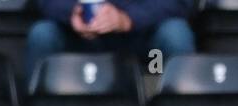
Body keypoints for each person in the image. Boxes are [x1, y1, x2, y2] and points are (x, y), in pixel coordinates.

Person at [25, 0, 196, 87]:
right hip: (81, 39)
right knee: (43, 34)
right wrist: (73, 13)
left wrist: (128, 19)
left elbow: (180, 3)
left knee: (175, 33)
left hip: (146, 45)